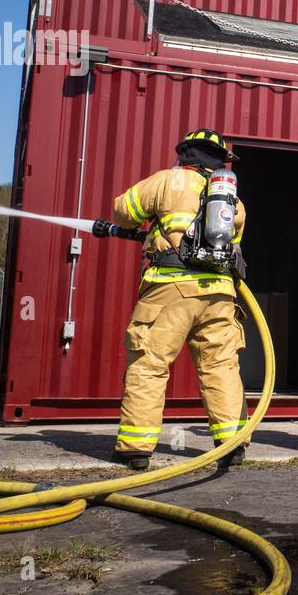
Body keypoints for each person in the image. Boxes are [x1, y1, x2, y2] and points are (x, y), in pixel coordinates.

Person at [107, 128, 250, 470]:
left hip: (169, 289)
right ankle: (231, 446)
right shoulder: (232, 201)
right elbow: (235, 242)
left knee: (149, 364)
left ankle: (135, 449)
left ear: (185, 153)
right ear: (220, 162)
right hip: (219, 294)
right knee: (221, 367)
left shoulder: (166, 181)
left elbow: (122, 212)